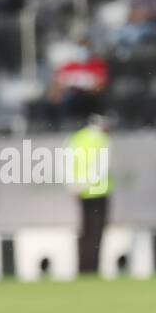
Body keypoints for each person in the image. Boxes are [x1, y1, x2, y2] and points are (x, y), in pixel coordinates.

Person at [67, 115, 112, 275]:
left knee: (84, 231)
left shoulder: (77, 138)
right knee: (96, 233)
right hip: (98, 192)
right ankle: (93, 268)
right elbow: (102, 167)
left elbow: (66, 163)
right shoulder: (102, 139)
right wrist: (88, 184)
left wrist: (74, 186)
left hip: (81, 193)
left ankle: (83, 267)